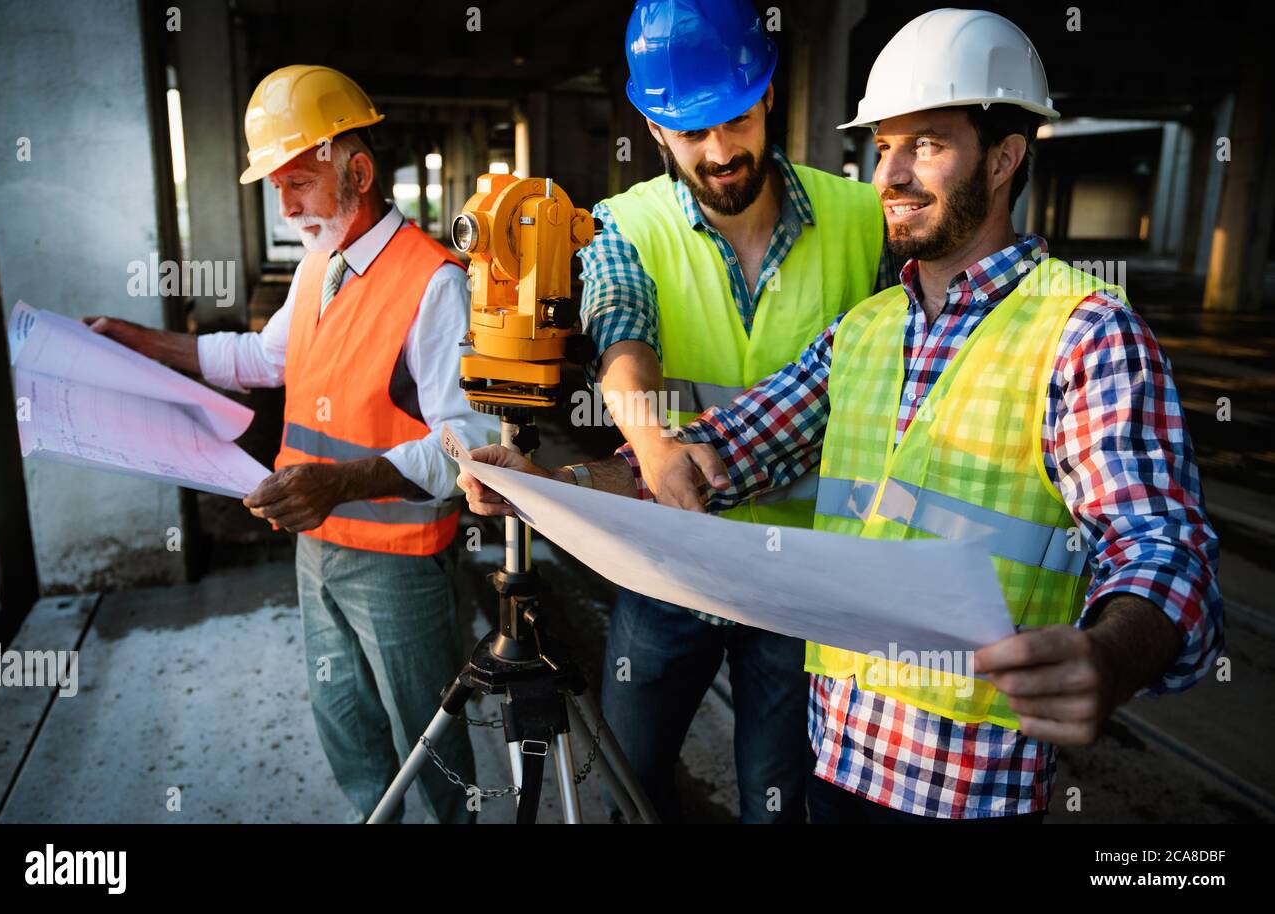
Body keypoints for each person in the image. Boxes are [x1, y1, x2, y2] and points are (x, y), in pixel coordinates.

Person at [458, 9, 1223, 823]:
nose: (890, 175)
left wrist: (1109, 655)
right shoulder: (864, 331)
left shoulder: (1085, 332)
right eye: (883, 146)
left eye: (926, 145)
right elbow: (718, 452)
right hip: (840, 751)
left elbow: (1162, 549)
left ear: (1005, 158)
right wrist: (553, 486)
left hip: (961, 783)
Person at [87, 65, 495, 824]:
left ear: (358, 171)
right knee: (345, 725)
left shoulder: (433, 283)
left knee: (429, 743)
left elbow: (464, 444)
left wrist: (339, 483)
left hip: (400, 566)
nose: (284, 205)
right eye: (274, 187)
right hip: (316, 552)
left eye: (296, 182)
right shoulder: (317, 268)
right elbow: (259, 360)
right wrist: (135, 341)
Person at [575, 0, 891, 823]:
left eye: (736, 119)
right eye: (691, 134)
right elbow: (619, 325)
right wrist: (650, 443)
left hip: (803, 577)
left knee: (780, 804)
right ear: (652, 127)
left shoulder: (865, 221)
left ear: (770, 93)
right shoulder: (626, 226)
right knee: (628, 784)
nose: (719, 152)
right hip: (671, 560)